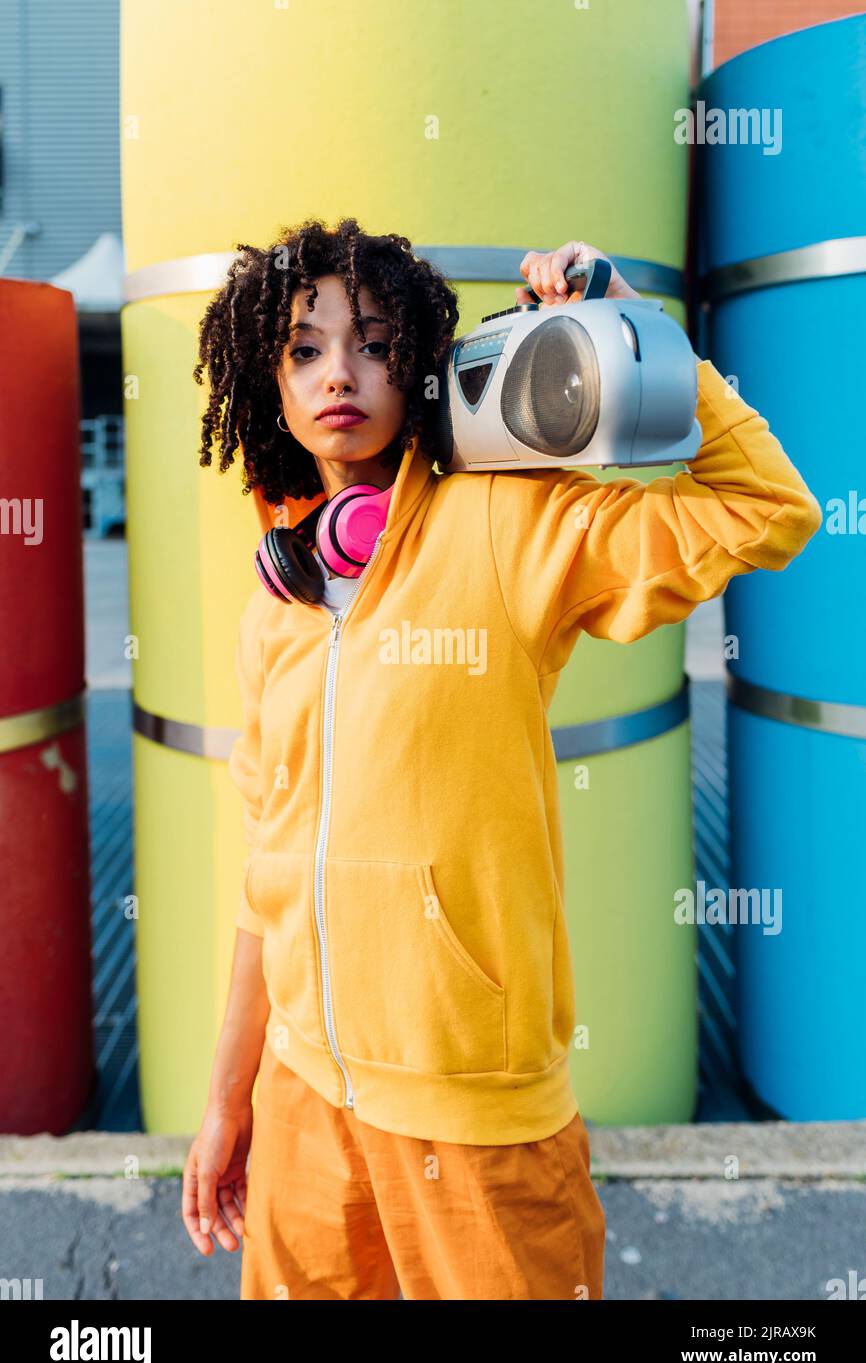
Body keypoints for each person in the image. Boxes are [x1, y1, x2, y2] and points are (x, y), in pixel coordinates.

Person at [181, 219, 823, 1300]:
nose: (340, 371)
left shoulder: (508, 520)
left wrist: (634, 325)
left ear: (421, 366)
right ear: (267, 382)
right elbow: (267, 872)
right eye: (304, 348)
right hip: (302, 1098)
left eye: (376, 343)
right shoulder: (276, 600)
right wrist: (226, 1098)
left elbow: (767, 510)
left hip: (472, 1111)